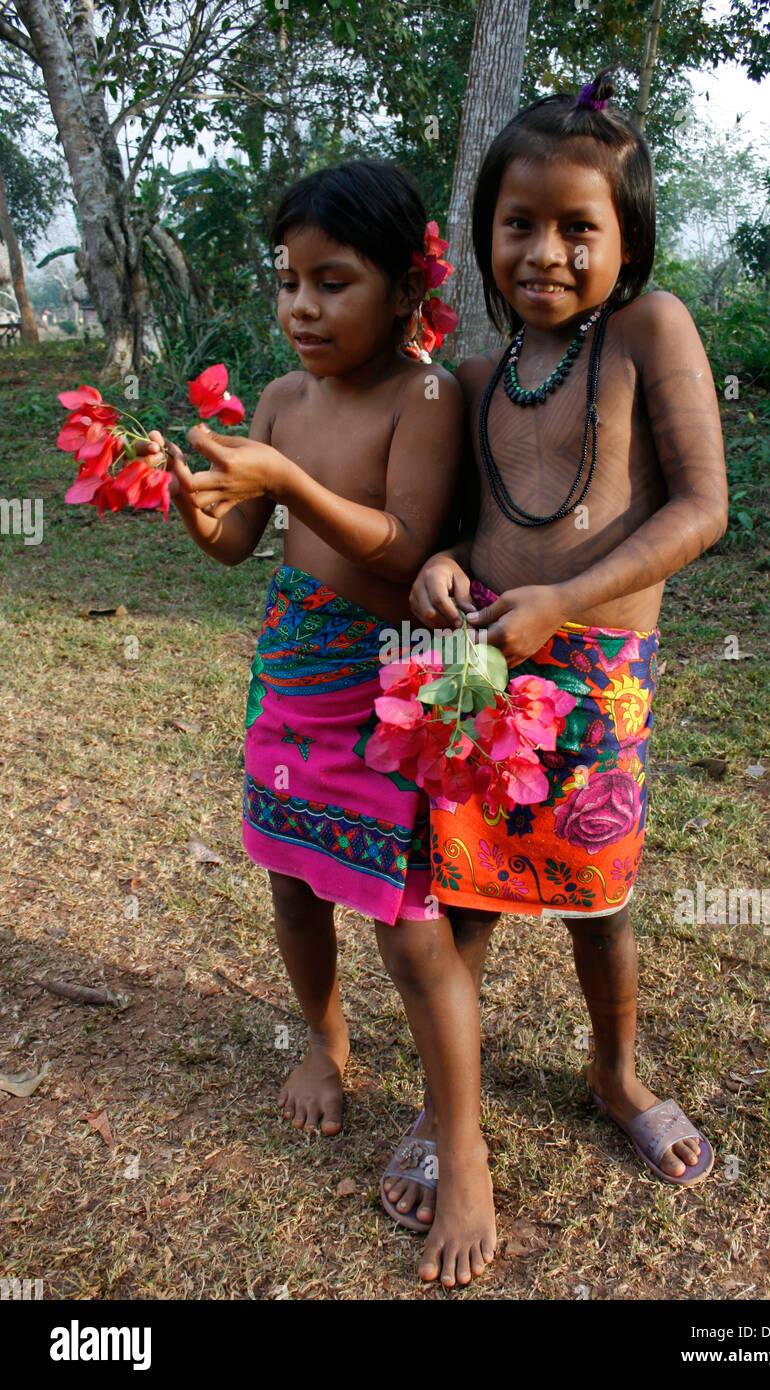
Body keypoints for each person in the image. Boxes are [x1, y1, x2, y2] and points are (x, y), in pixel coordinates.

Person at [137, 160, 496, 1288]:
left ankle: (464, 1148)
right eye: (287, 281)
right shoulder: (283, 401)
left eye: (332, 281)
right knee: (289, 880)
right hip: (290, 677)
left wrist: (288, 481)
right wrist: (194, 504)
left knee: (408, 926)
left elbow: (399, 547)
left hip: (387, 690)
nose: (299, 306)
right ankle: (324, 1038)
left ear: (404, 289)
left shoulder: (425, 395)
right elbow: (242, 547)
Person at [393, 71, 728, 1225]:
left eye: (575, 226)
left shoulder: (648, 330)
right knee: (460, 891)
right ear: (483, 234)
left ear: (624, 239)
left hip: (590, 675)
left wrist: (567, 599)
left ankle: (612, 1070)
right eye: (516, 224)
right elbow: (436, 527)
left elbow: (698, 510)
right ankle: (451, 1107)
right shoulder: (472, 380)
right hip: (478, 672)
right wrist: (435, 567)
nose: (542, 250)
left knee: (597, 895)